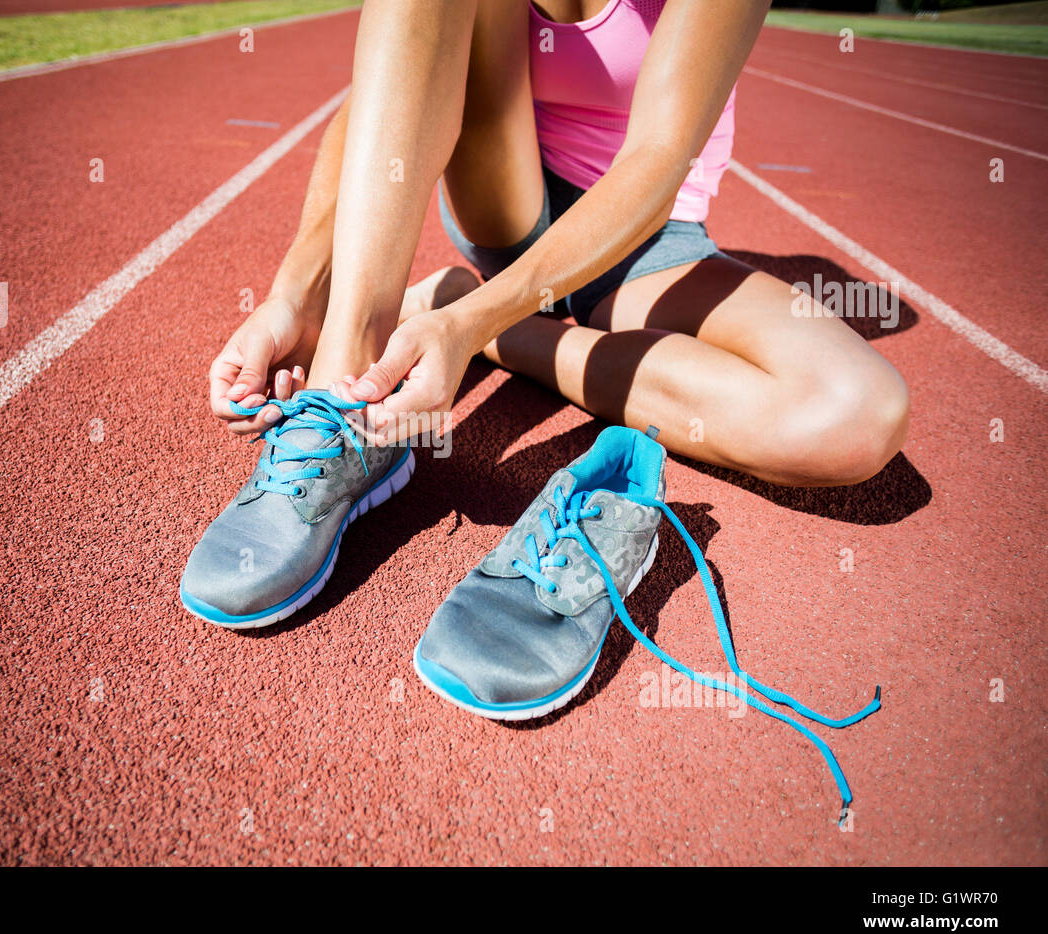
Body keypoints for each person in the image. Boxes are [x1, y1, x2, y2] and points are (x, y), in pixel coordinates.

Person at [181, 0, 910, 639]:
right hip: (507, 197)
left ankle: (492, 329)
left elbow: (657, 165)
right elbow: (387, 95)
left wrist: (473, 322)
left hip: (641, 235)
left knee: (854, 414)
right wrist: (295, 292)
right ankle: (349, 397)